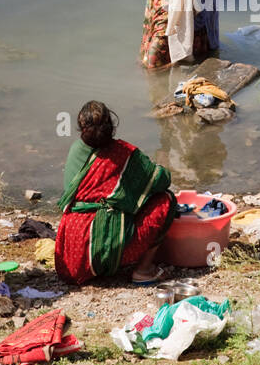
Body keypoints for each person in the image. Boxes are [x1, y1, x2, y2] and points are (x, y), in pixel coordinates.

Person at [54, 101, 178, 284]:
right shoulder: (124, 153)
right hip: (106, 250)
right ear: (112, 127)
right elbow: (162, 180)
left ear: (81, 129)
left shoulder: (75, 149)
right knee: (166, 200)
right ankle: (143, 270)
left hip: (71, 257)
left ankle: (96, 266)